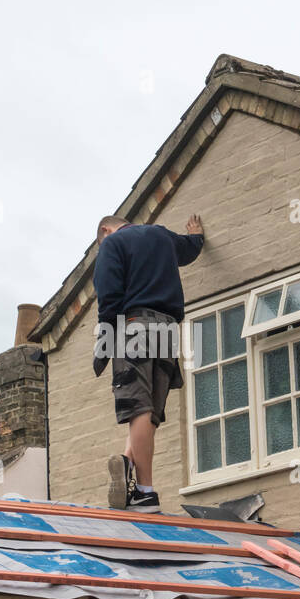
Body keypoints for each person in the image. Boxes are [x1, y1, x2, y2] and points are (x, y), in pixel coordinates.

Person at [93, 214, 204, 511]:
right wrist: (197, 236)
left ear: (105, 230)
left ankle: (145, 493)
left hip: (135, 326)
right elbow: (188, 250)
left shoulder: (112, 244)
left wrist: (105, 341)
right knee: (151, 411)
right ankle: (127, 461)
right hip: (168, 330)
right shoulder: (161, 236)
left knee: (137, 406)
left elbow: (108, 296)